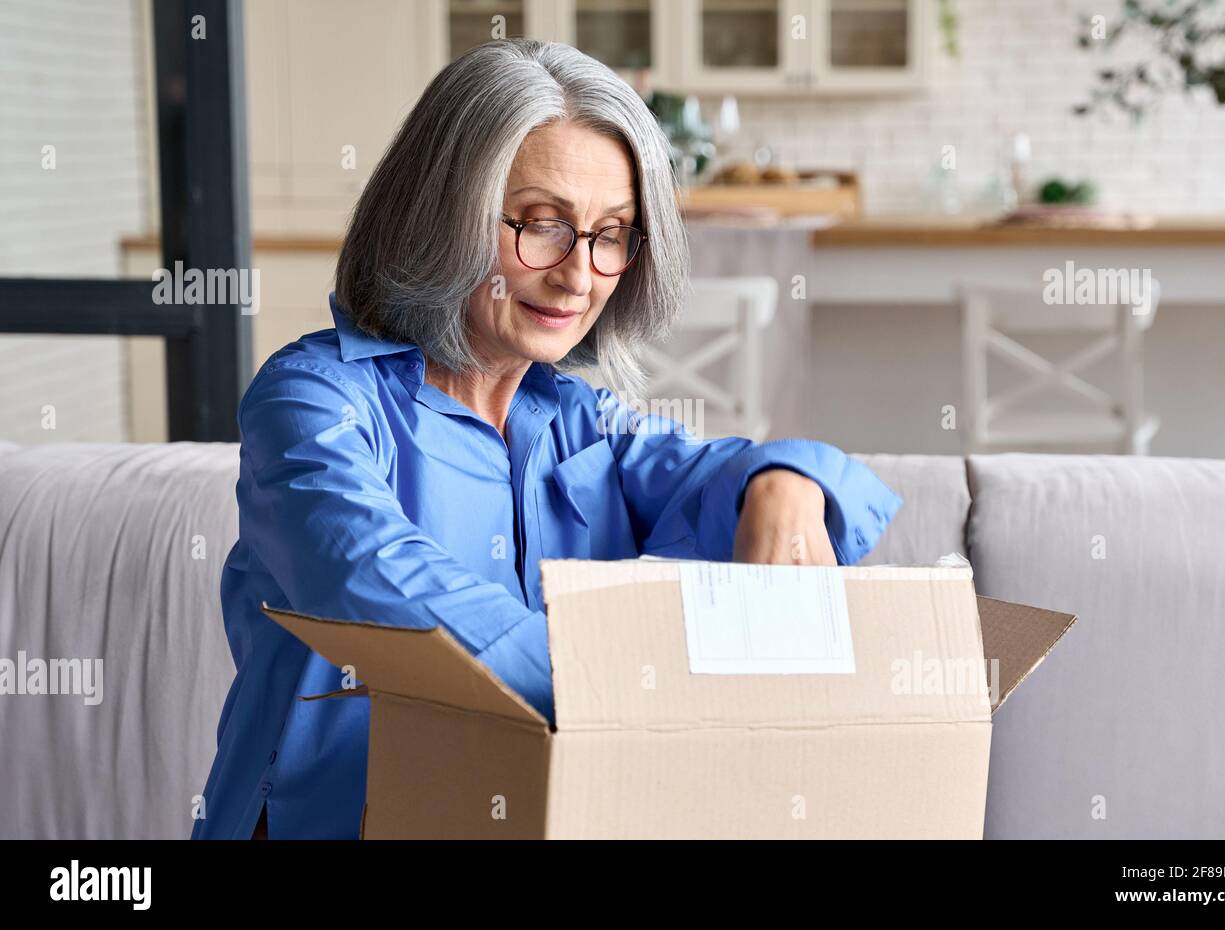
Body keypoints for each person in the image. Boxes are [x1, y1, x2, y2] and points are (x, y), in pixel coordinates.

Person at [193, 38, 902, 840]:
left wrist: (783, 481)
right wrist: (627, 690)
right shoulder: (314, 399)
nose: (580, 275)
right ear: (441, 214)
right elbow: (372, 578)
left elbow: (724, 473)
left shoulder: (578, 421)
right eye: (540, 225)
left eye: (611, 234)